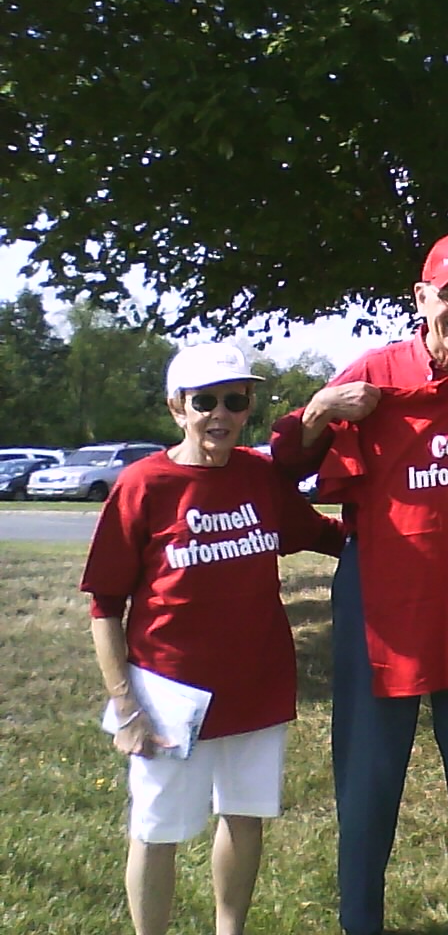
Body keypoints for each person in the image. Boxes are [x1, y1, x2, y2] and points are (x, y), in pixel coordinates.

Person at [270, 233, 448, 935]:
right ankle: (360, 920)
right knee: (369, 775)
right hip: (382, 595)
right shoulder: (376, 372)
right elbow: (285, 463)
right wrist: (319, 411)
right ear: (422, 297)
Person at [84, 342, 346, 935]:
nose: (221, 414)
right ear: (178, 408)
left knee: (245, 815)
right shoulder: (143, 484)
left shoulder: (259, 477)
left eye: (236, 400)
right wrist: (126, 705)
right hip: (168, 693)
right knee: (158, 829)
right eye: (206, 401)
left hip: (256, 682)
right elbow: (105, 603)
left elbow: (327, 536)